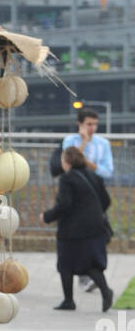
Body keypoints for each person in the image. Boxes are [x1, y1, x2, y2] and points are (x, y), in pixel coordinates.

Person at [42, 144, 114, 311]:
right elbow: (106, 201)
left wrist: (46, 216)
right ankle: (105, 291)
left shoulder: (67, 179)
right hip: (95, 228)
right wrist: (93, 212)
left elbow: (64, 205)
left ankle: (69, 301)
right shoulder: (93, 176)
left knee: (65, 264)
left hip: (72, 231)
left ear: (66, 162)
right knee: (90, 264)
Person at [55, 108, 114, 292]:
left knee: (96, 235)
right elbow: (67, 165)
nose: (92, 128)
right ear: (80, 124)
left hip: (94, 194)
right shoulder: (70, 141)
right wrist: (82, 145)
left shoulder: (102, 144)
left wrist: (85, 163)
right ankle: (83, 276)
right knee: (76, 236)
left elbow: (107, 171)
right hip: (73, 194)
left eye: (95, 124)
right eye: (89, 124)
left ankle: (92, 271)